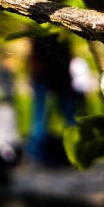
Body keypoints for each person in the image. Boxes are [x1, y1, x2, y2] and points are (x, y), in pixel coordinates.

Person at [27, 34, 79, 165]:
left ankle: (39, 154)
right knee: (67, 116)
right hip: (60, 74)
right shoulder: (59, 31)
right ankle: (75, 151)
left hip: (50, 74)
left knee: (40, 116)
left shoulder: (39, 29)